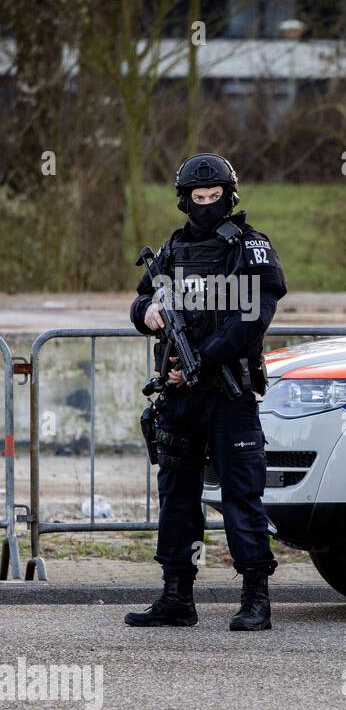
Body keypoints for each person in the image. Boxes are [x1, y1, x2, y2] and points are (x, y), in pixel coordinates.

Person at [124, 153, 287, 632]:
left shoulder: (251, 247)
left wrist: (204, 362)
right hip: (178, 398)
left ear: (229, 197)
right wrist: (147, 312)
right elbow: (139, 300)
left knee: (241, 495)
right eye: (199, 199)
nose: (207, 205)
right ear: (185, 201)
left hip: (227, 393)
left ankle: (256, 598)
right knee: (176, 494)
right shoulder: (172, 251)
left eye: (215, 198)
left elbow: (254, 316)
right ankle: (177, 596)